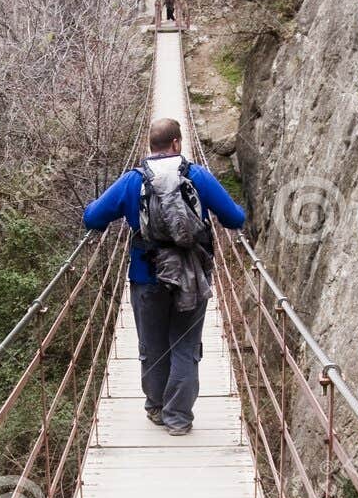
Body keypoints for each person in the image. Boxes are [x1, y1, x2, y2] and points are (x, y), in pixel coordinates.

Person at [83, 118, 246, 435]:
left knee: (153, 347)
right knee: (185, 347)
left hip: (147, 276)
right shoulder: (196, 175)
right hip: (191, 276)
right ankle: (179, 419)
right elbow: (234, 217)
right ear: (177, 144)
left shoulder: (133, 181)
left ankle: (156, 408)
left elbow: (92, 218)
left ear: (150, 146)